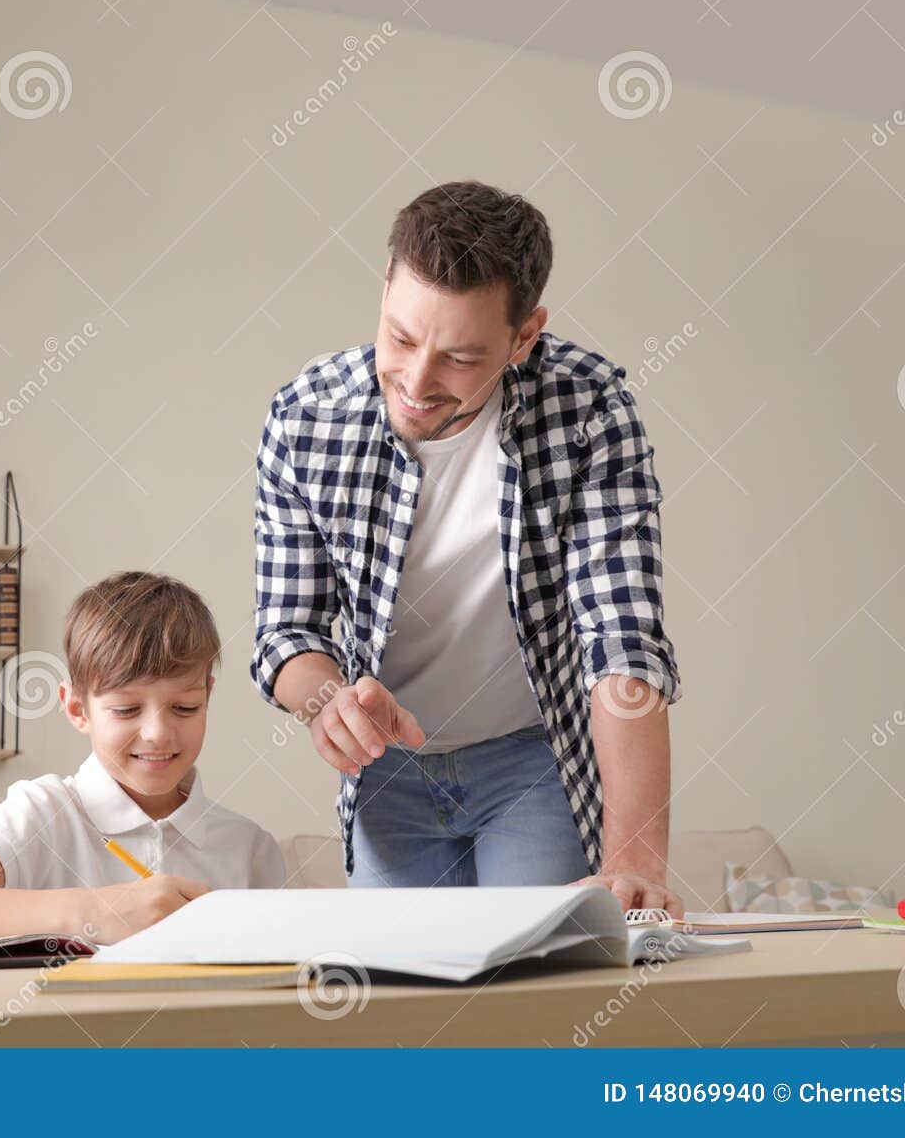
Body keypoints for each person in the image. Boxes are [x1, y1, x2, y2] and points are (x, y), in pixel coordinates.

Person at [252, 180, 685, 916]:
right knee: (407, 1018)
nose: (417, 382)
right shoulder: (306, 418)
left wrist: (635, 861)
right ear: (386, 285)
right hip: (386, 773)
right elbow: (286, 631)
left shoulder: (588, 411)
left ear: (525, 336)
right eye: (401, 337)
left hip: (532, 765)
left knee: (537, 1004)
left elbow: (621, 642)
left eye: (459, 357)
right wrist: (329, 702)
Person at [0, 571, 286, 948]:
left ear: (208, 696)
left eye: (185, 708)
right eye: (126, 710)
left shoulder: (248, 848)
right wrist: (92, 912)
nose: (158, 733)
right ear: (76, 709)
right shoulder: (43, 815)